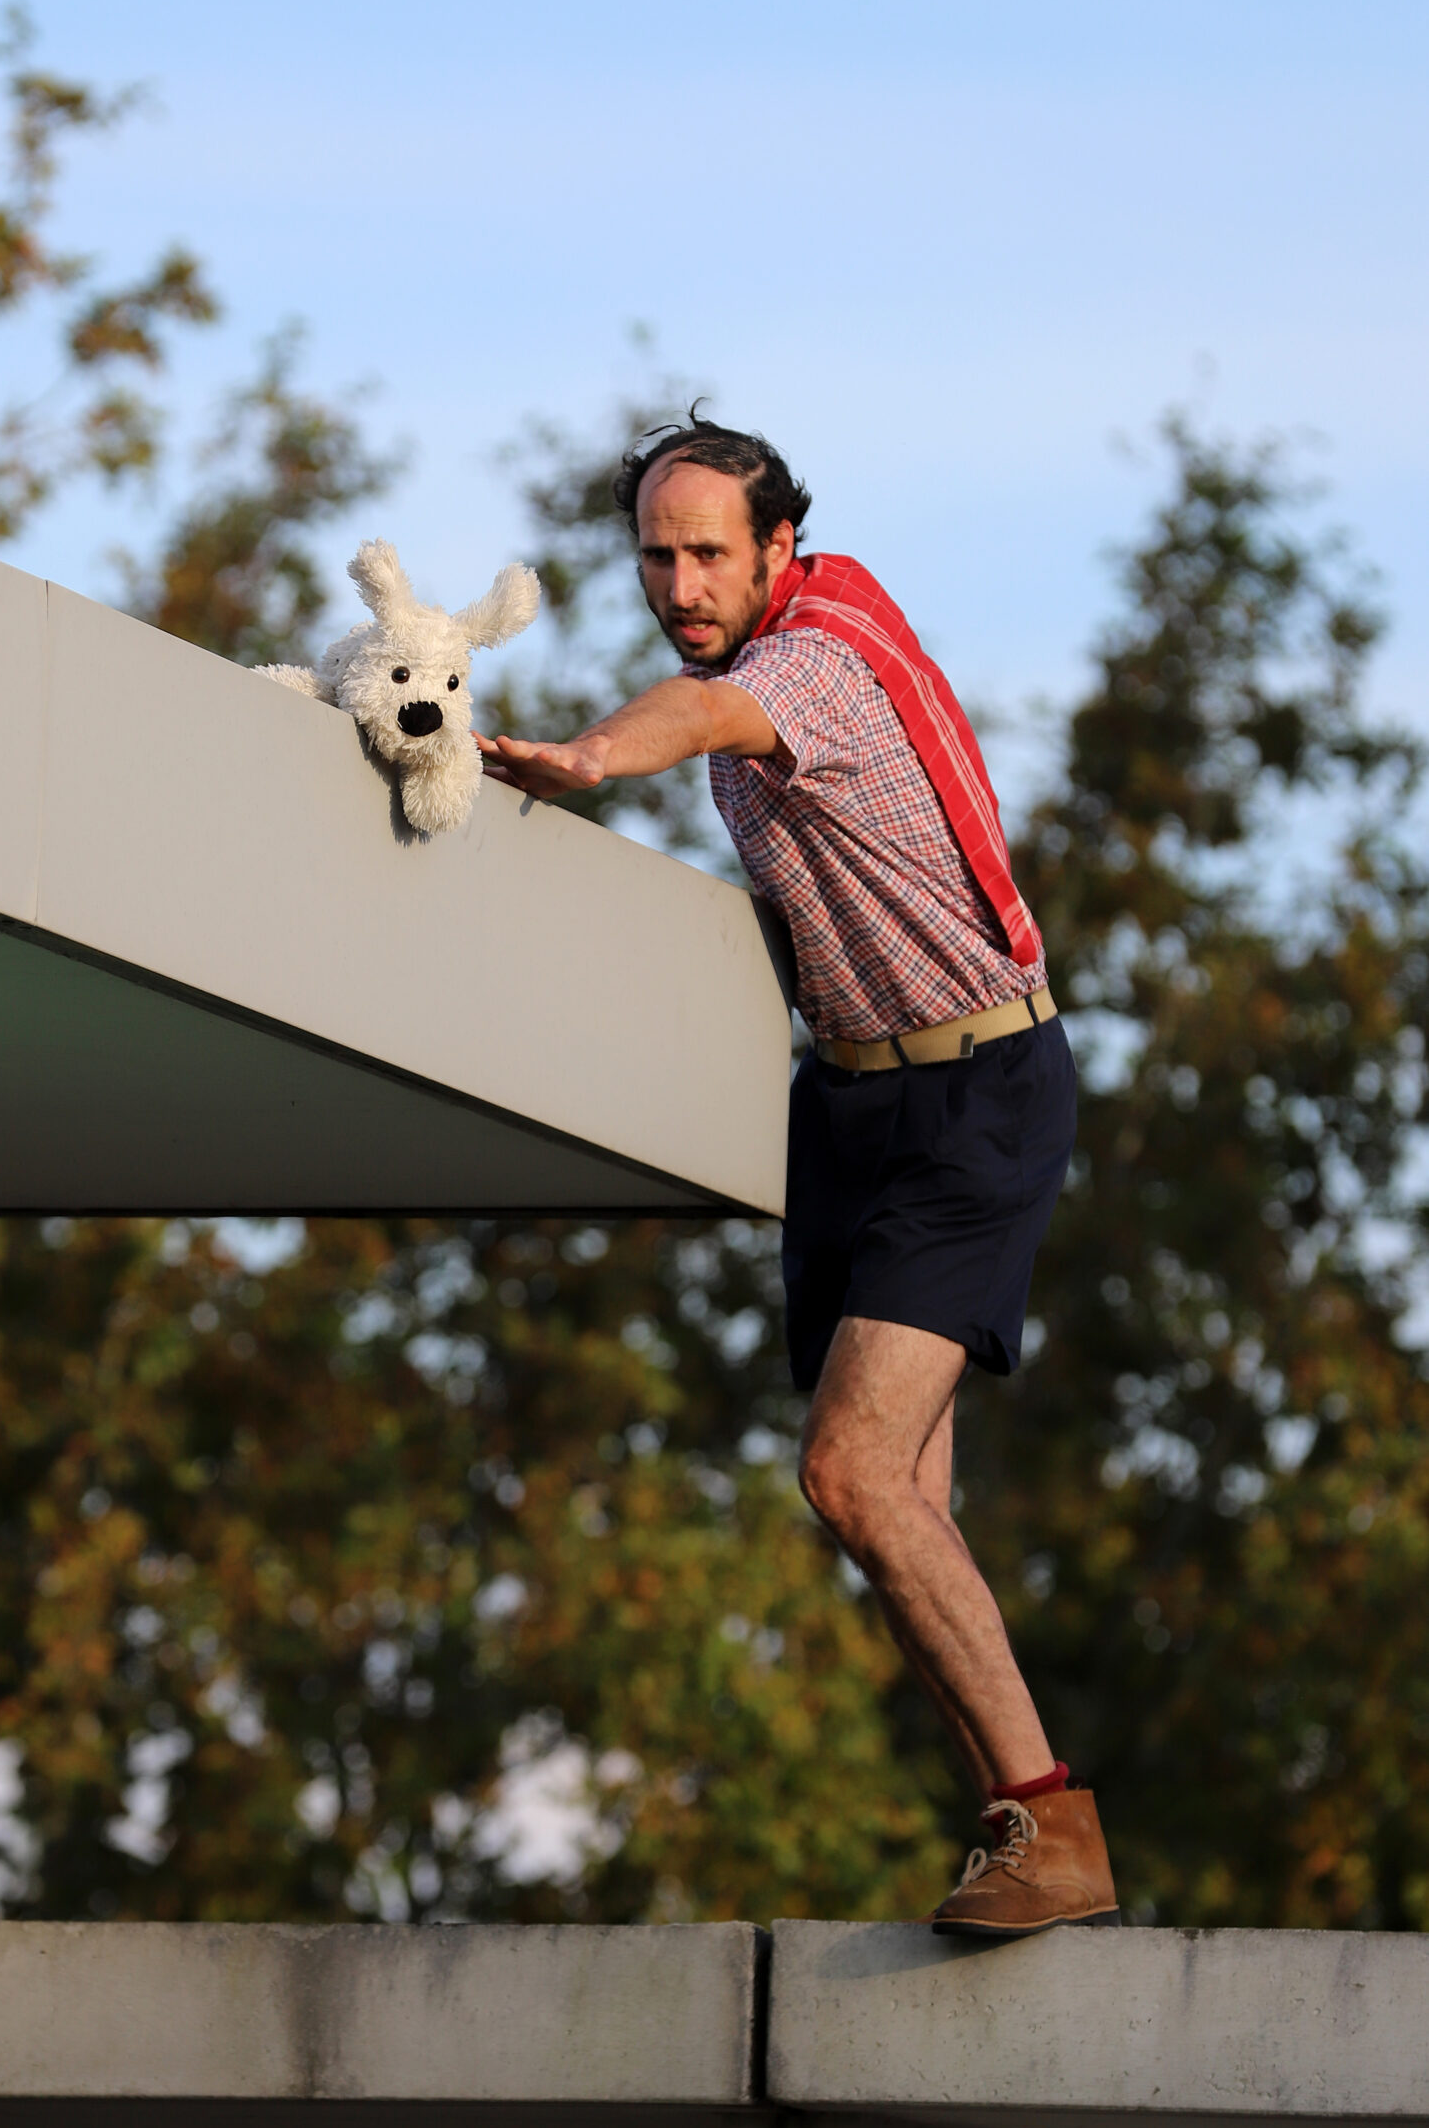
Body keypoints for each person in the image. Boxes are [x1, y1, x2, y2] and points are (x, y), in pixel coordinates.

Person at [478, 416, 1117, 1938]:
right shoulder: (757, 646)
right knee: (897, 1510)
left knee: (848, 1474)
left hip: (974, 1099)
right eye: (656, 553)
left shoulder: (808, 656)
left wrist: (580, 761)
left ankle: (1057, 1829)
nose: (681, 581)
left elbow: (708, 719)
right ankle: (1019, 1844)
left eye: (709, 552)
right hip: (849, 1110)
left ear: (778, 548)